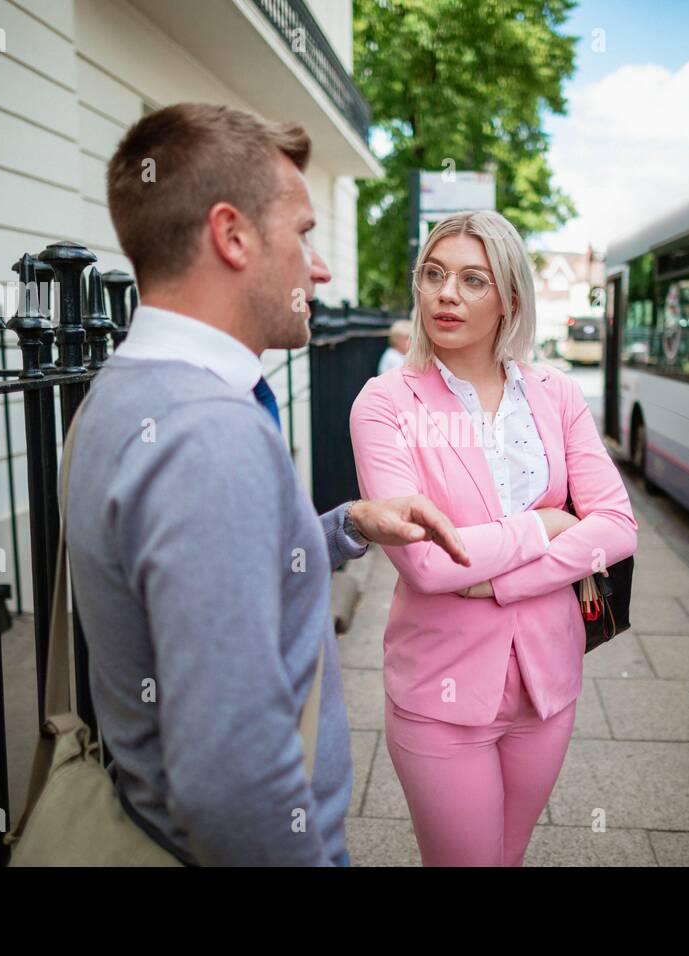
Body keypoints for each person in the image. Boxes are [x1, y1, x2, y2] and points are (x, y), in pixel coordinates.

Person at [66, 103, 470, 866]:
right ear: (232, 236)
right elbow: (230, 775)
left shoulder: (127, 390)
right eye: (305, 234)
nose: (319, 267)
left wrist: (342, 524)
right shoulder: (206, 434)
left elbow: (205, 575)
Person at [349, 210, 638, 866]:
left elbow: (616, 526)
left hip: (548, 683)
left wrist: (494, 577)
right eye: (434, 274)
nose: (446, 293)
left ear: (509, 297)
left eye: (473, 279)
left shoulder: (556, 395)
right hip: (441, 693)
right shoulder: (385, 403)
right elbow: (423, 561)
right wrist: (542, 525)